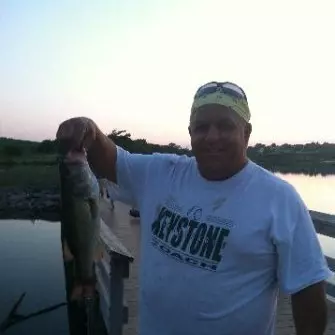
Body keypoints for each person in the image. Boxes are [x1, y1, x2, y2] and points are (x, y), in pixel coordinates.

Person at [56, 81, 332, 335]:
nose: (212, 136)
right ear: (190, 133)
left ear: (246, 133)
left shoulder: (279, 198)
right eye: (201, 127)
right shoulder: (162, 172)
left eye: (225, 126)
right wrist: (90, 129)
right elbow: (111, 161)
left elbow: (308, 287)